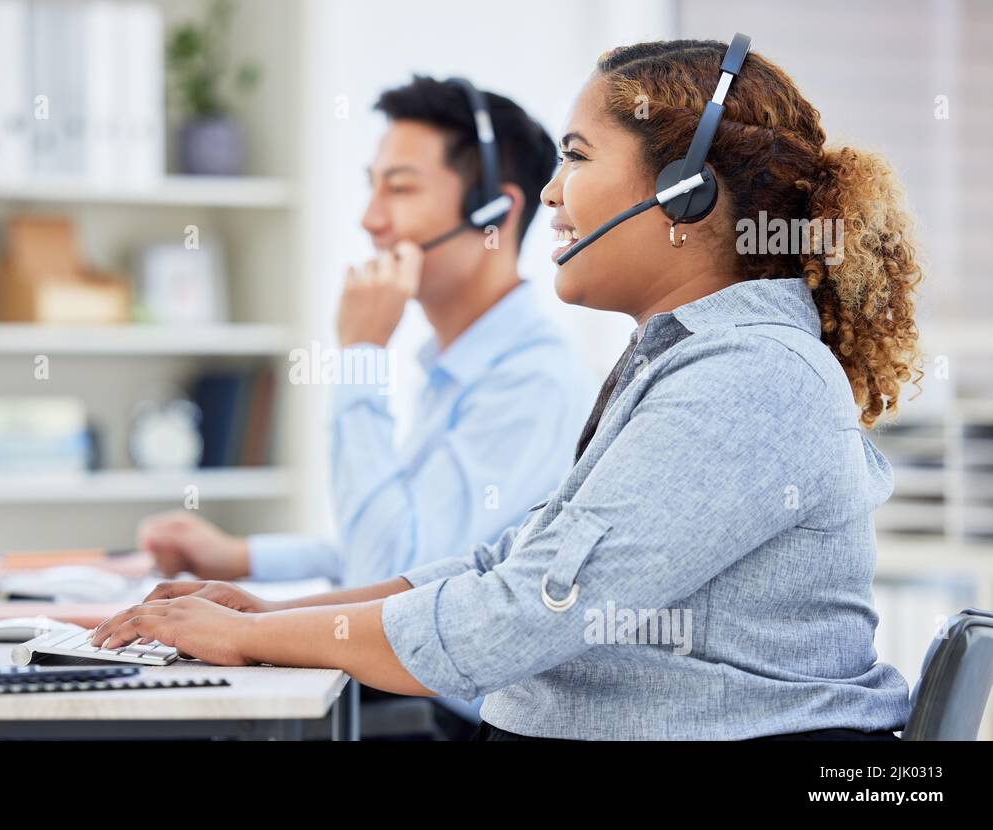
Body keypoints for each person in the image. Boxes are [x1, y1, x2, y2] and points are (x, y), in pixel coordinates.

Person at [92, 39, 923, 740]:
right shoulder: (686, 360)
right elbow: (510, 562)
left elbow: (526, 609)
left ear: (686, 196)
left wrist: (262, 637)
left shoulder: (752, 378)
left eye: (579, 157)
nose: (556, 195)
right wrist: (265, 621)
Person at [136, 76, 594, 589]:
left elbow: (391, 577)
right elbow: (398, 540)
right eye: (371, 185)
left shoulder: (530, 382)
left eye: (398, 188)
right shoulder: (462, 363)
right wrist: (242, 556)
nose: (369, 219)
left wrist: (362, 353)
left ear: (495, 213)